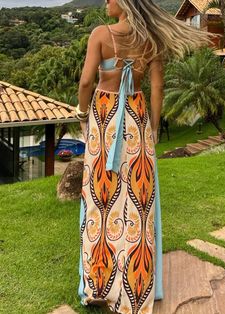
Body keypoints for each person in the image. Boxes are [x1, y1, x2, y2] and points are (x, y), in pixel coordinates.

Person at [75, 1, 215, 313]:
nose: (106, 2)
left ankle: (99, 283)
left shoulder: (100, 34)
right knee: (136, 202)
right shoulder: (151, 40)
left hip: (103, 118)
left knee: (101, 197)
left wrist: (82, 113)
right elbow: (157, 86)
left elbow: (86, 82)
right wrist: (151, 128)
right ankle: (133, 289)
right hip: (135, 119)